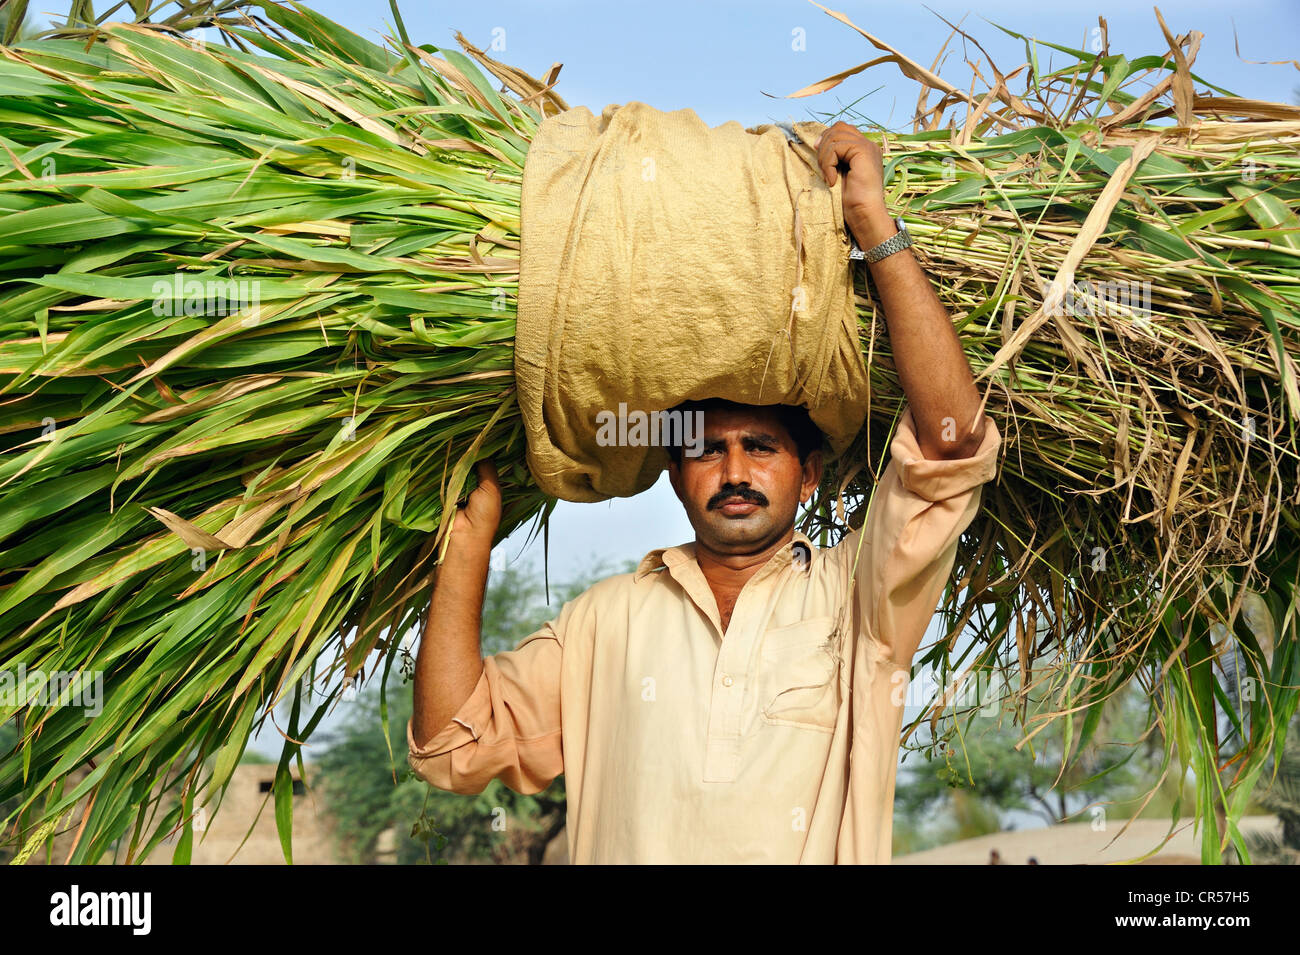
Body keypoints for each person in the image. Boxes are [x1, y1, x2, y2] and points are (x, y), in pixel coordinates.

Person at [407, 122, 1002, 863]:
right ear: (673, 471)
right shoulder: (604, 625)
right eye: (706, 449)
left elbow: (950, 442)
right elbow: (451, 743)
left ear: (807, 471)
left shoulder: (859, 601)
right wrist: (468, 548)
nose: (733, 471)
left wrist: (872, 224)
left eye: (761, 447)